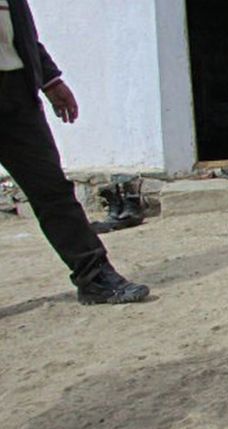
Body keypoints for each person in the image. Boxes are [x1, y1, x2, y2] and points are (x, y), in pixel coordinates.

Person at [0, 0, 149, 304]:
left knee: (52, 189)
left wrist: (50, 79)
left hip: (15, 91)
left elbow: (23, 33)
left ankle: (95, 278)